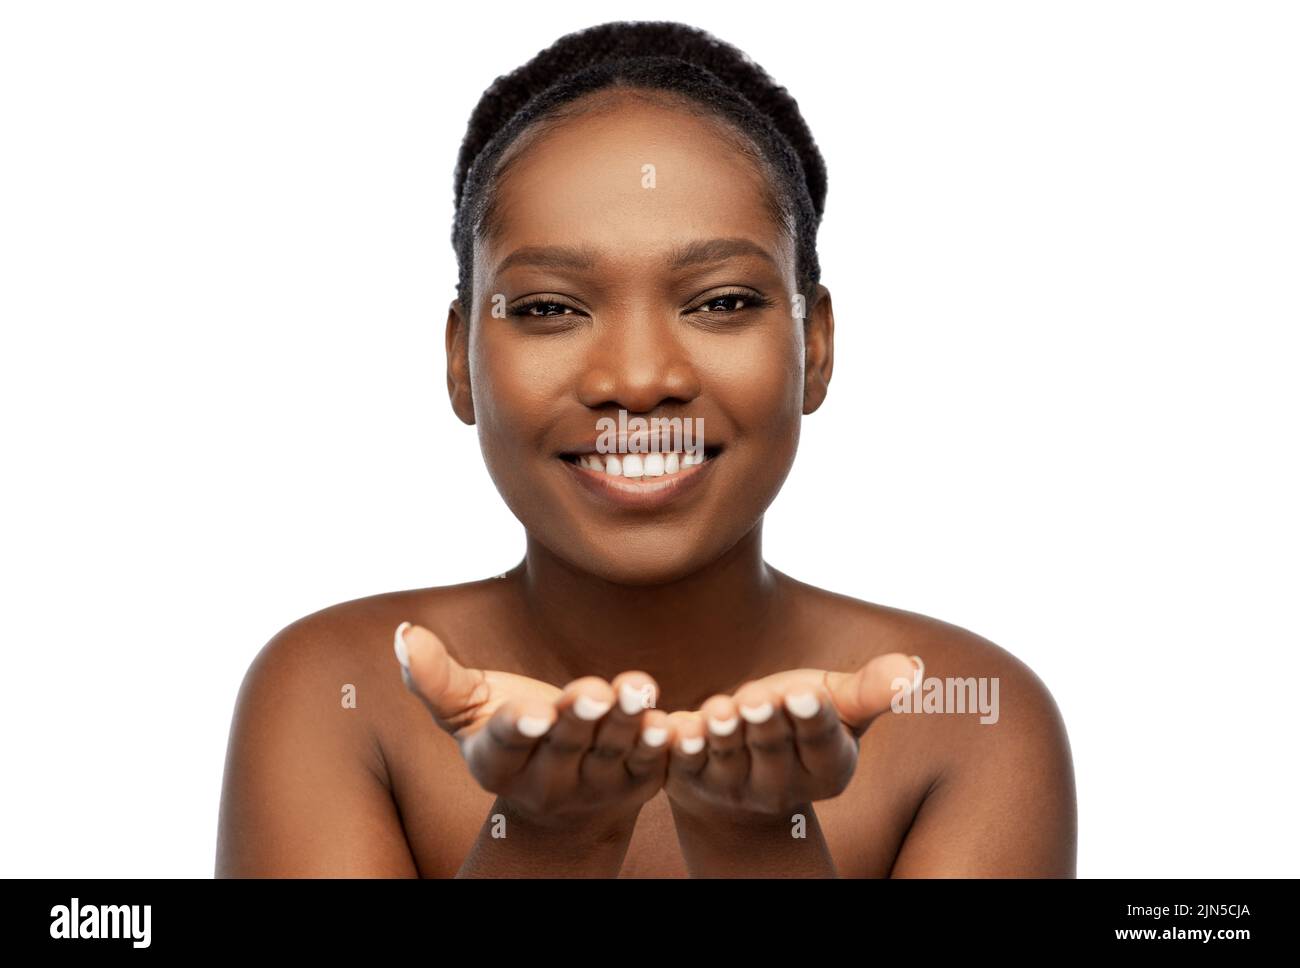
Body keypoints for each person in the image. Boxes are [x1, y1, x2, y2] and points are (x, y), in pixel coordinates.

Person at [215, 19, 1076, 878]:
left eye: (722, 300)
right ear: (460, 361)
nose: (636, 378)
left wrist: (758, 841)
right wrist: (546, 838)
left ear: (815, 348)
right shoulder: (337, 696)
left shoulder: (968, 720)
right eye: (550, 307)